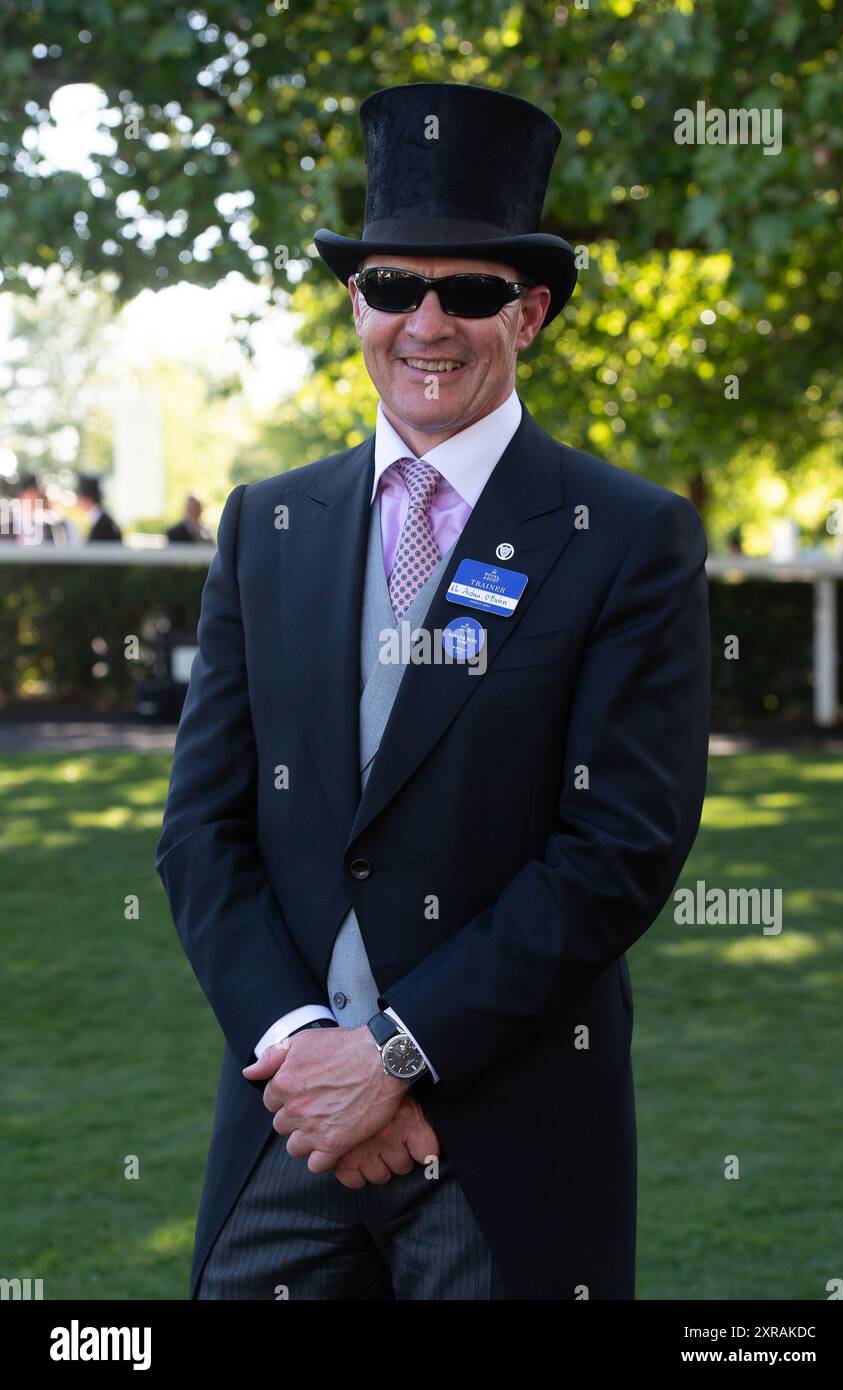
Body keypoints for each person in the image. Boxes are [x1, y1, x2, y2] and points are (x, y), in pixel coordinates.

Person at [156, 81, 711, 1302]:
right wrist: (309, 1052)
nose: (427, 323)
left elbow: (615, 848)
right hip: (287, 1120)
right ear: (355, 301)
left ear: (532, 311)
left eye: (468, 292)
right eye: (393, 286)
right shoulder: (266, 524)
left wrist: (398, 1056)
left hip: (500, 1139)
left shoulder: (627, 536)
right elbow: (199, 831)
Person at [77, 473, 122, 542]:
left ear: (88, 499)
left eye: (80, 497)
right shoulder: (101, 518)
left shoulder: (103, 523)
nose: (78, 501)